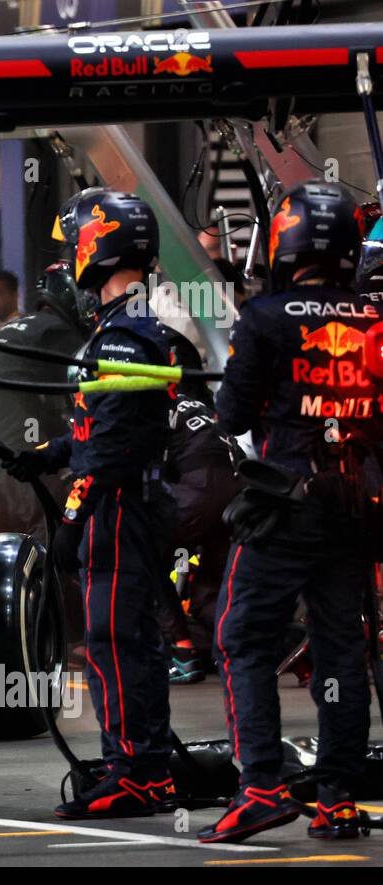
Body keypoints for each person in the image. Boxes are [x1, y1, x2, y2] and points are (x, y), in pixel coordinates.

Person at [200, 181, 379, 843]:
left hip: (288, 503)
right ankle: (337, 800)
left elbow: (235, 416)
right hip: (360, 504)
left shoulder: (268, 315)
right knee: (341, 652)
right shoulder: (375, 318)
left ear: (287, 239)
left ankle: (263, 787)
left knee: (240, 638)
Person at [4, 189, 174, 819]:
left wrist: (74, 516)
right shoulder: (121, 331)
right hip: (121, 504)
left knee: (114, 642)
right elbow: (99, 426)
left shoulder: (124, 337)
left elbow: (111, 446)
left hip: (120, 509)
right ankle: (143, 767)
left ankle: (136, 773)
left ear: (92, 246)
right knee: (125, 642)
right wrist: (49, 454)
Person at [0, 261, 89, 540]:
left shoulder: (20, 327)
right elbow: (85, 400)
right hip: (6, 422)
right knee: (46, 510)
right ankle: (51, 582)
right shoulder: (60, 332)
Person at [156, 328, 242, 685]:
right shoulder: (199, 404)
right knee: (211, 590)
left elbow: (145, 470)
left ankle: (182, 653)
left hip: (201, 490)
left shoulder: (152, 406)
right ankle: (259, 647)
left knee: (140, 555)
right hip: (240, 492)